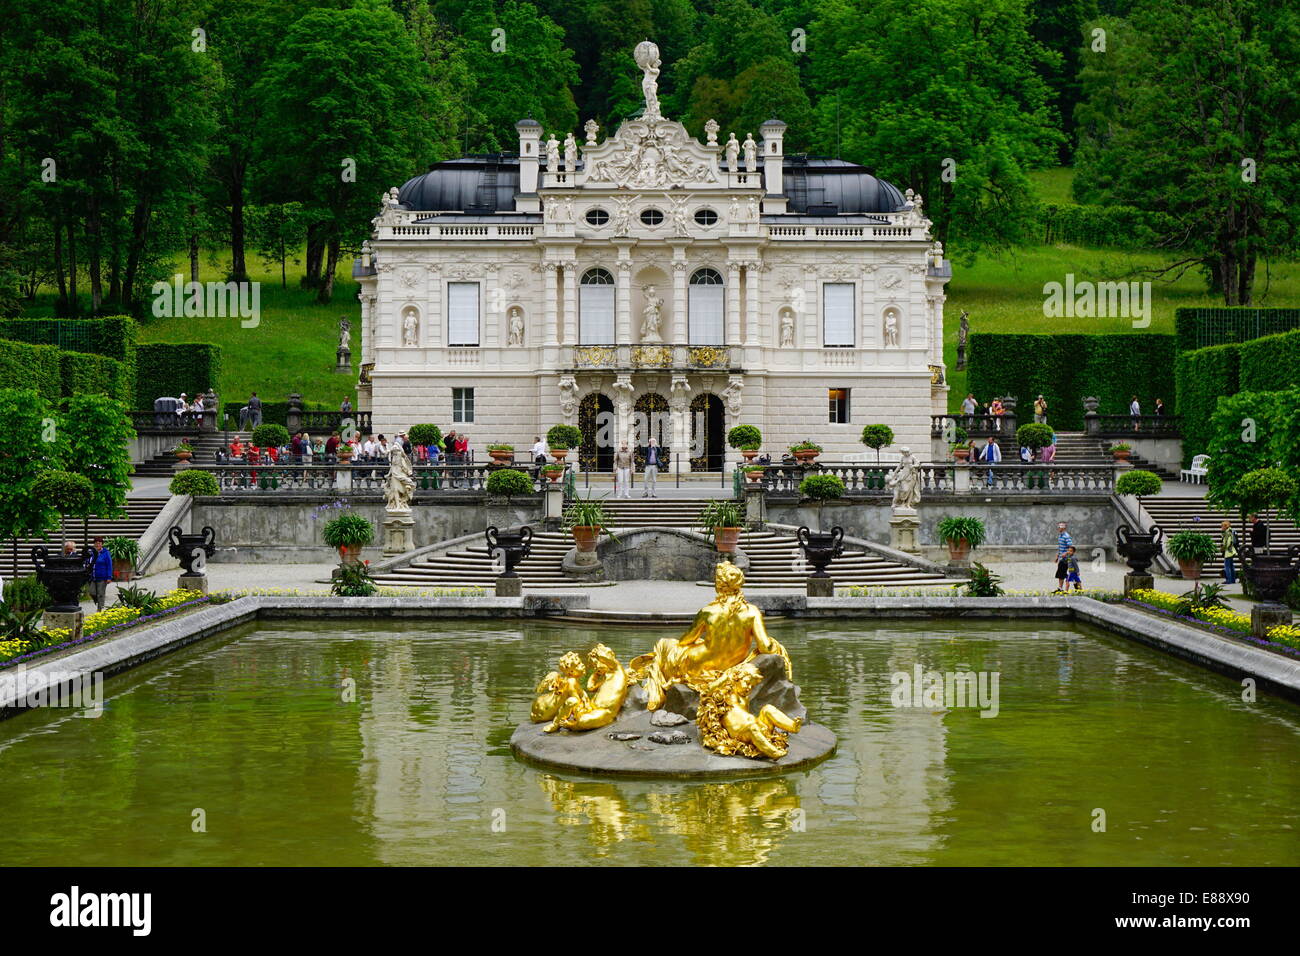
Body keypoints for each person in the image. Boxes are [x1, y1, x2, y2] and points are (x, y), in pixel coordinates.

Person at [89, 536, 113, 611]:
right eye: (96, 543)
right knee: (91, 592)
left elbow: (109, 565)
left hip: (102, 577)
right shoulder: (91, 553)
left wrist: (109, 577)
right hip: (92, 576)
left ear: (102, 544)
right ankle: (97, 602)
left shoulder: (106, 553)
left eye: (99, 543)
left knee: (101, 594)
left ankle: (100, 609)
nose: (97, 545)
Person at [1220, 520, 1239, 585]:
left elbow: (1228, 543)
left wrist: (1223, 548)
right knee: (1231, 566)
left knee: (1227, 566)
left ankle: (1229, 580)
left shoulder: (1227, 533)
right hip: (1232, 551)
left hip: (1228, 551)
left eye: (1222, 526)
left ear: (1225, 526)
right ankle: (1233, 579)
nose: (1221, 527)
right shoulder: (1231, 531)